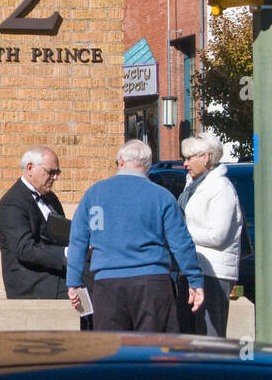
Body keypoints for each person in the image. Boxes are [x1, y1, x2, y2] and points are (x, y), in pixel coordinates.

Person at [67, 140, 204, 333]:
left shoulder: (94, 194)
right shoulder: (162, 196)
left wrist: (74, 283)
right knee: (154, 352)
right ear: (147, 166)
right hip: (152, 283)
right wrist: (195, 280)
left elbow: (78, 241)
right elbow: (181, 243)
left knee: (112, 353)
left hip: (107, 285)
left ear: (121, 162)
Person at [176, 132, 243, 338]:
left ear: (205, 157)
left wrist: (180, 234)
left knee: (209, 338)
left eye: (189, 158)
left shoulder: (221, 188)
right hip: (190, 268)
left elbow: (217, 235)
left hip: (213, 273)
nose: (185, 163)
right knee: (187, 335)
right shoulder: (192, 185)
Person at [0, 146, 69, 299]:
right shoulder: (12, 203)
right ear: (30, 168)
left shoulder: (50, 198)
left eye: (58, 172)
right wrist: (65, 253)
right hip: (31, 280)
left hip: (55, 270)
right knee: (84, 284)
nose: (55, 177)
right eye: (51, 172)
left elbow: (62, 233)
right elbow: (25, 249)